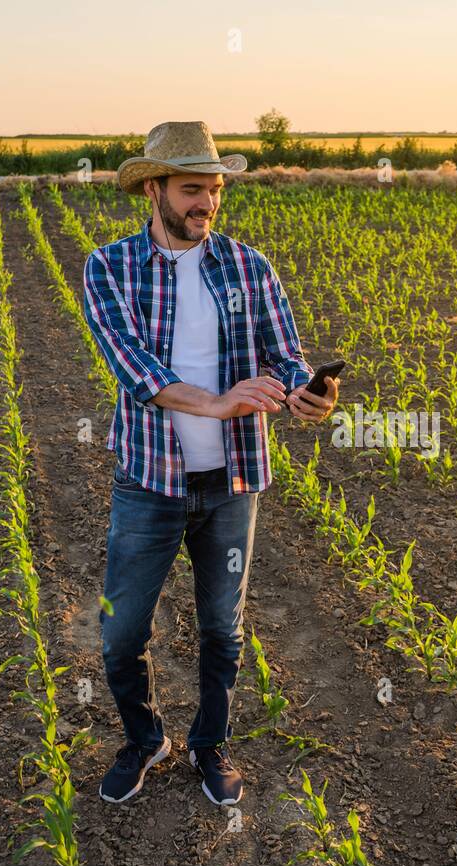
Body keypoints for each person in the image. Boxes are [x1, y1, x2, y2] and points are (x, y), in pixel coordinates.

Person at [81, 120, 338, 806]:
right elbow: (137, 371)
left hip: (232, 485)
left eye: (216, 190)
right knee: (120, 633)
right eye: (193, 190)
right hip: (149, 481)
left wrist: (308, 391)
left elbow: (285, 354)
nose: (207, 204)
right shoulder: (109, 267)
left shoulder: (249, 267)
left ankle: (209, 743)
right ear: (154, 189)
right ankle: (145, 738)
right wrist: (221, 402)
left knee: (223, 630)